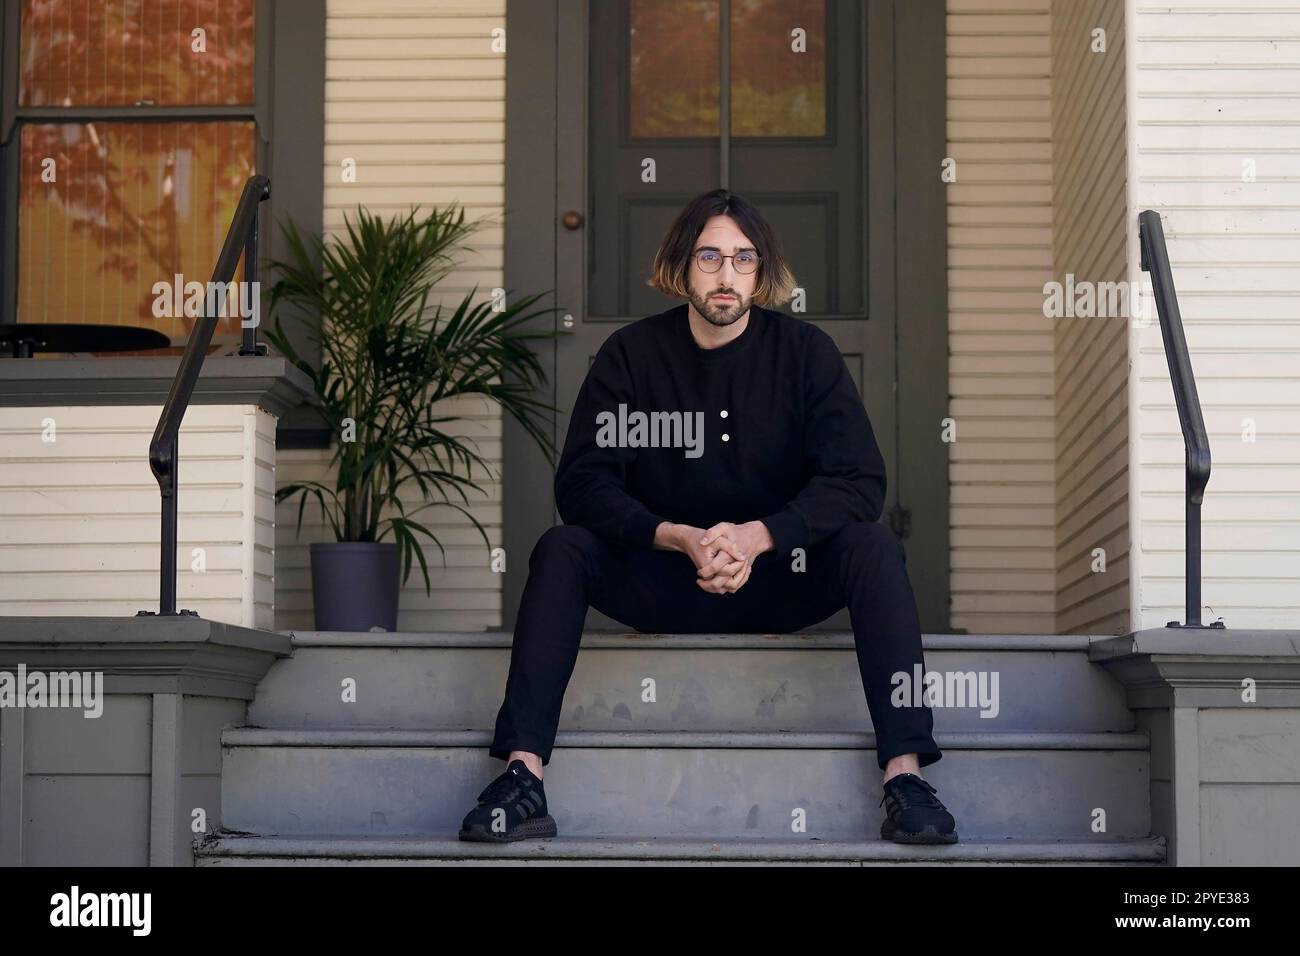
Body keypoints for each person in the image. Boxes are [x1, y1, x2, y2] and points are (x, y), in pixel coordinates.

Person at [459, 188, 958, 846]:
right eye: (710, 257)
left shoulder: (805, 354)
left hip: (781, 578)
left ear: (763, 271)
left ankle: (905, 775)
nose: (726, 276)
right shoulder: (631, 357)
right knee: (563, 548)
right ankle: (522, 776)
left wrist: (761, 536)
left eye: (743, 259)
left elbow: (858, 481)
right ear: (680, 266)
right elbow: (582, 482)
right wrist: (675, 537)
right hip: (663, 579)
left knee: (872, 545)